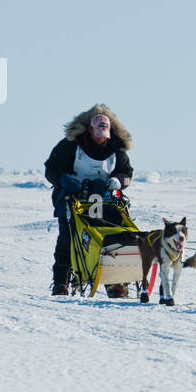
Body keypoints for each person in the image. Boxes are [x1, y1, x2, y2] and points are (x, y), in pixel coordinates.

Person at [44, 104, 134, 295]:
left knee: (112, 237)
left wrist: (117, 181)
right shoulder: (70, 146)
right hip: (72, 200)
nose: (101, 137)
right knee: (68, 239)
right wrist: (63, 179)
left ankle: (115, 282)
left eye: (105, 132)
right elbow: (51, 168)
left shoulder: (116, 149)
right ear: (90, 130)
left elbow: (127, 173)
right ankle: (62, 283)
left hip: (105, 201)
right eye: (98, 131)